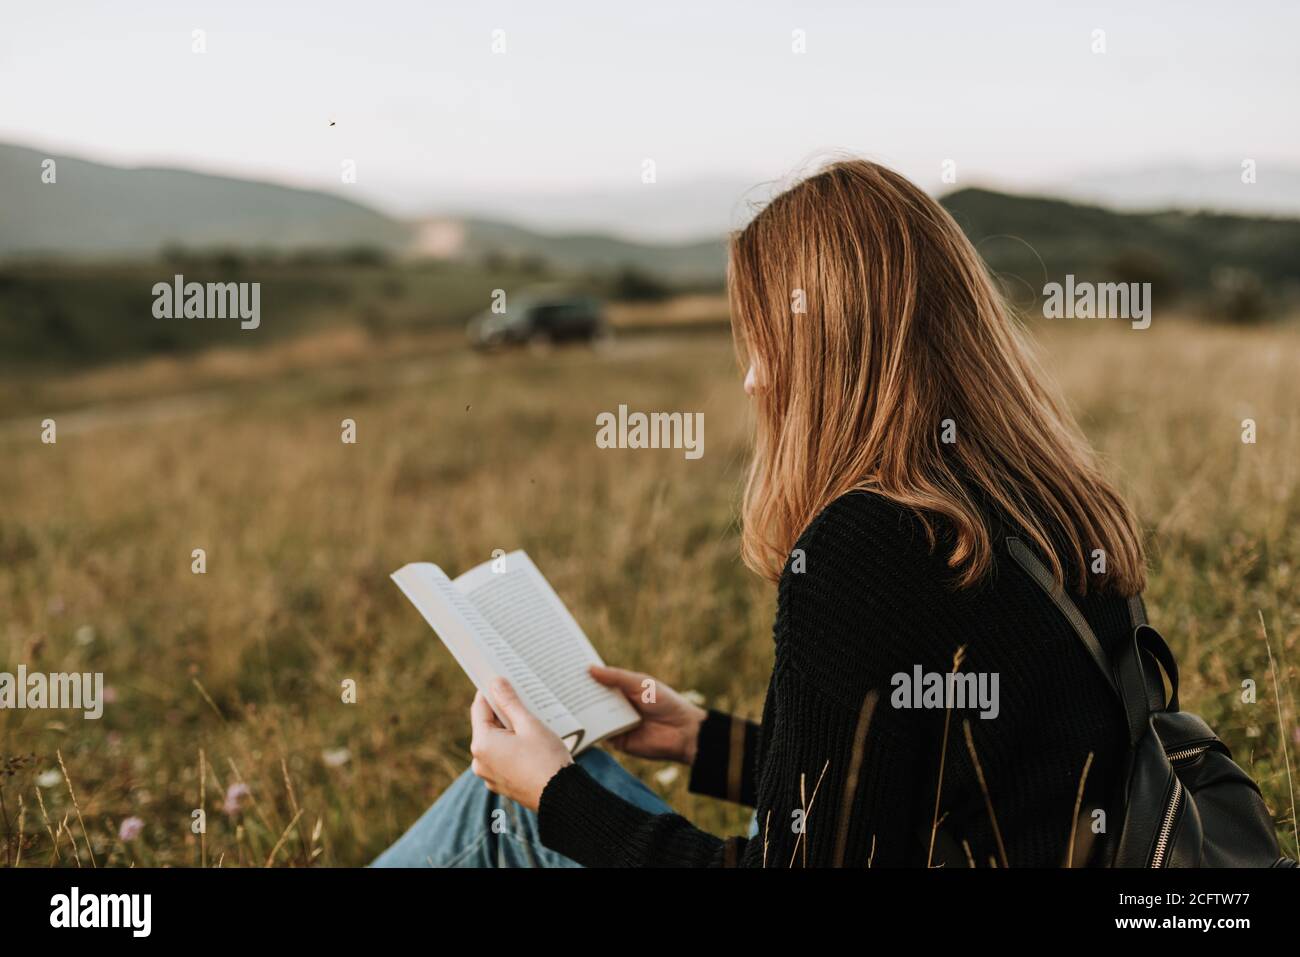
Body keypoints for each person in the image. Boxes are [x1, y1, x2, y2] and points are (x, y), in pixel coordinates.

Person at [372, 158, 1146, 868]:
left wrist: (555, 796)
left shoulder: (864, 546)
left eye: (762, 340)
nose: (750, 378)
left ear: (824, 347)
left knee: (499, 808)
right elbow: (899, 794)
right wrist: (703, 740)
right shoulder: (1046, 503)